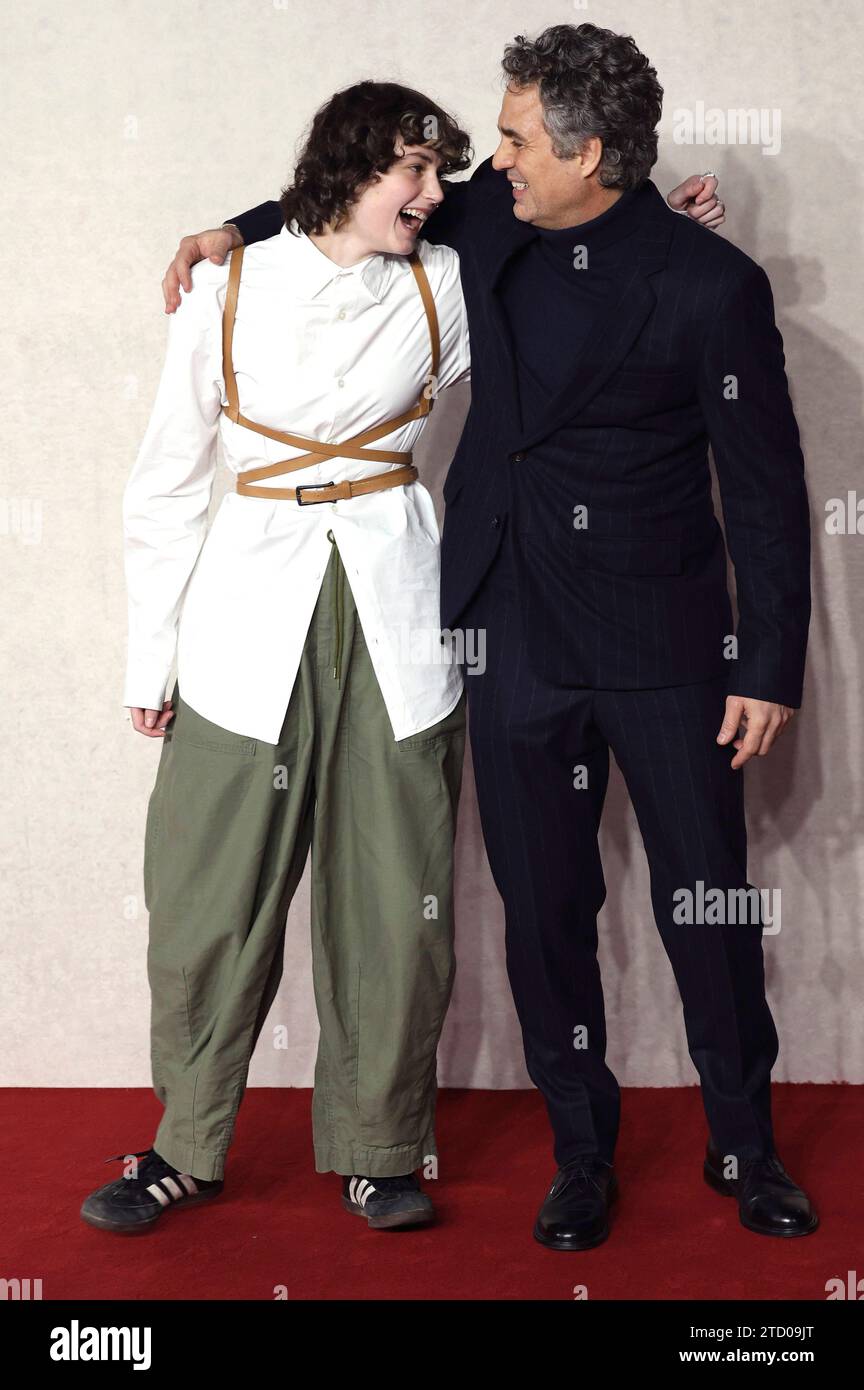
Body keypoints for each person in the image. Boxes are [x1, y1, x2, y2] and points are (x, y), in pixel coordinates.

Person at [161, 32, 776, 1254]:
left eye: (505, 144)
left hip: (665, 643)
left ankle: (746, 1145)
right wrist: (233, 228)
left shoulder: (701, 279)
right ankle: (581, 1157)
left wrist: (768, 663)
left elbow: (763, 486)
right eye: (473, 153)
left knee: (701, 908)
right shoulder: (480, 228)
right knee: (545, 912)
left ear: (587, 151)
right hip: (514, 633)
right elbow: (347, 190)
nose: (480, 170)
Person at [82, 80, 478, 1236]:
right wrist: (146, 662)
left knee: (395, 899)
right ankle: (183, 1146)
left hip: (396, 613)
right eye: (412, 168)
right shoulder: (227, 284)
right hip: (246, 615)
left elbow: (552, 225)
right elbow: (162, 482)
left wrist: (670, 222)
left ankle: (379, 1146)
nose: (434, 191)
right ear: (352, 168)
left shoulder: (443, 282)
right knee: (206, 894)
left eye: (440, 170)